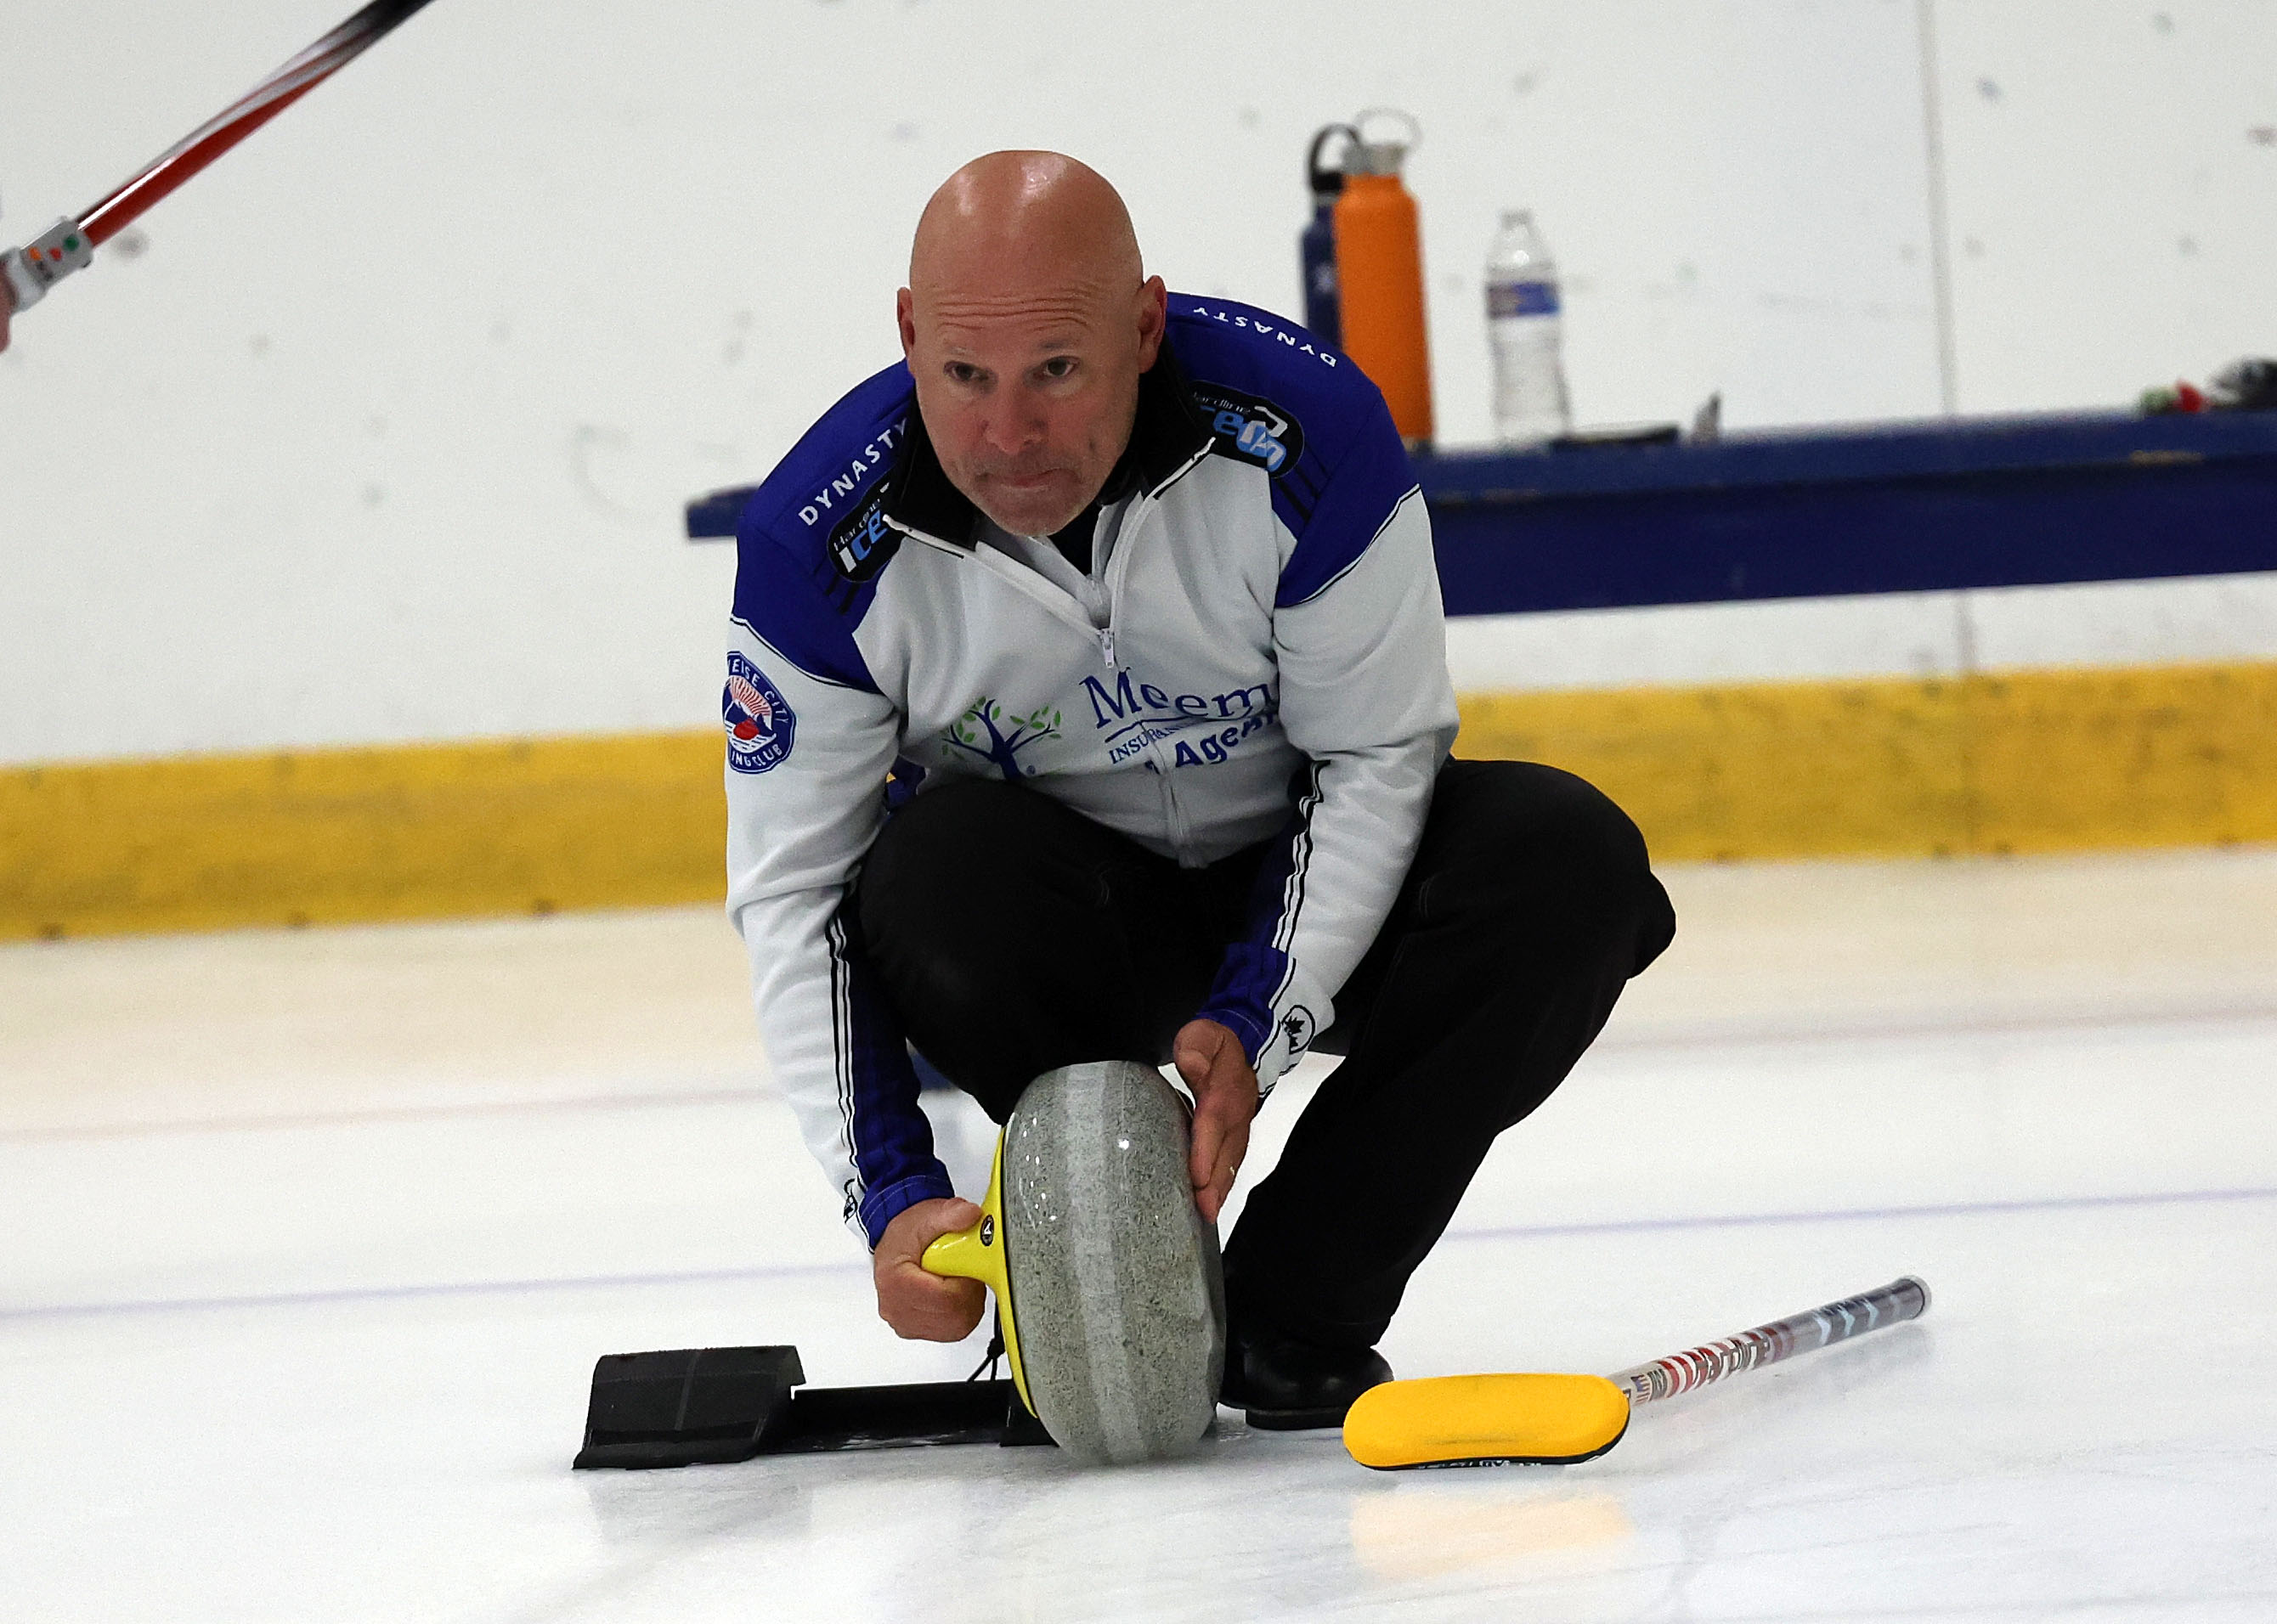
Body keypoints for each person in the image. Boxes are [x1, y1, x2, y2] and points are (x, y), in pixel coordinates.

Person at [725, 151, 1675, 1428]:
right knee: (929, 872)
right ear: (908, 336)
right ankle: (1099, 1288)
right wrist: (891, 1197)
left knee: (1569, 868)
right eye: (964, 377)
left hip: (1311, 886)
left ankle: (1291, 1312)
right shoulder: (816, 545)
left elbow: (1375, 757)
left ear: (1143, 327)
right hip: (1056, 925)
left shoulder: (1308, 436)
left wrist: (1260, 1014)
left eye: (1057, 371)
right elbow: (795, 898)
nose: (1009, 437)